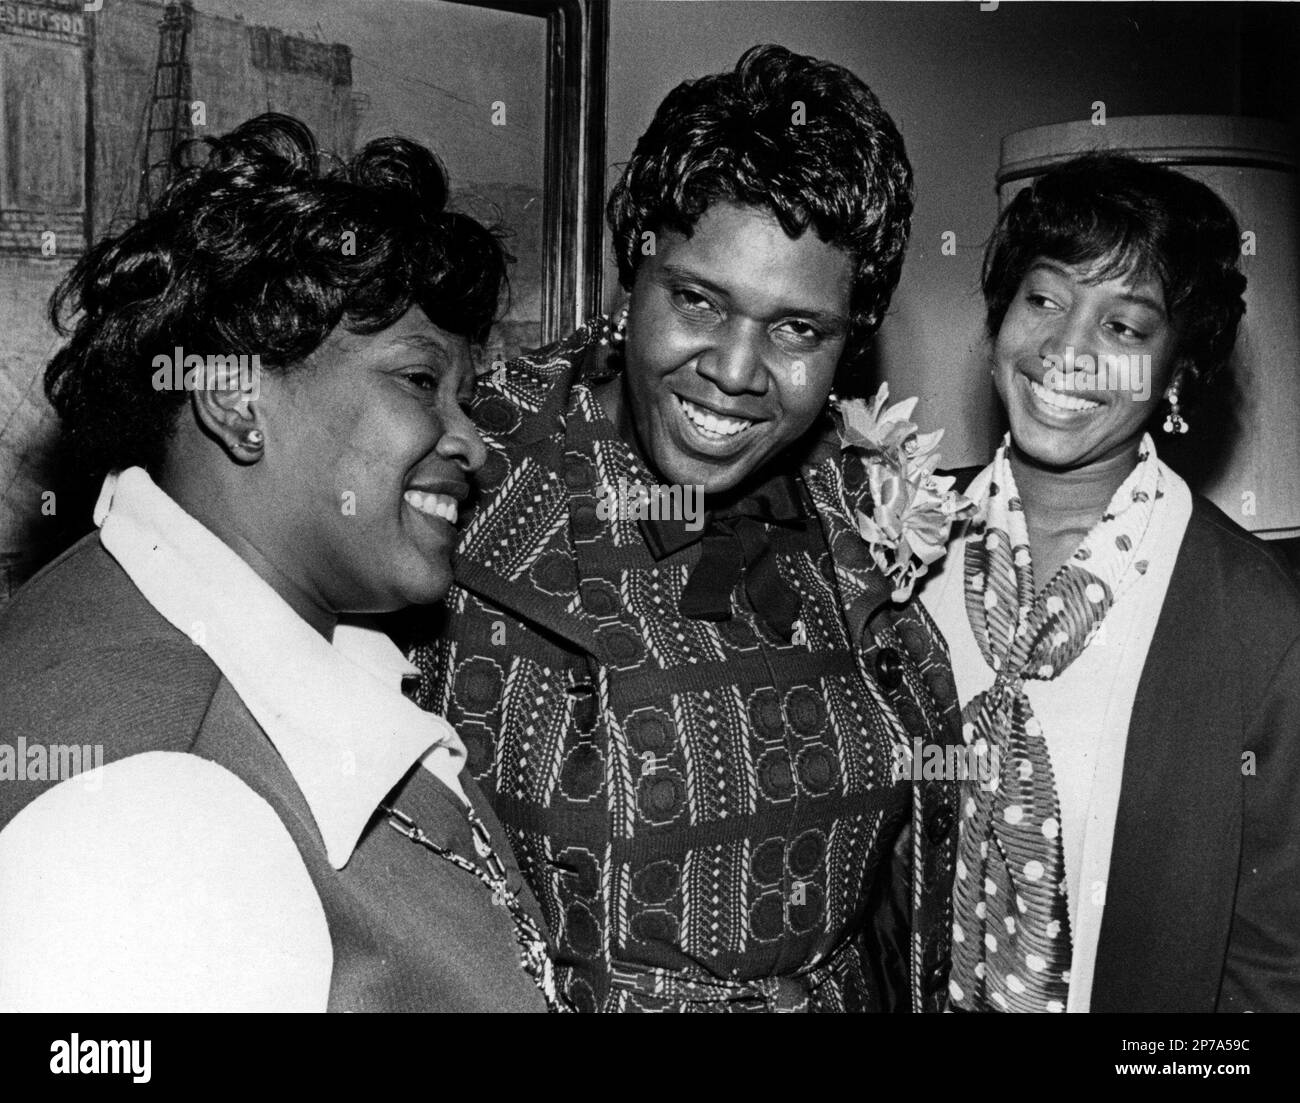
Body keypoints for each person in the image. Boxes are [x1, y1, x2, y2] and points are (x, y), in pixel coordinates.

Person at [412, 44, 968, 1012]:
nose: (737, 371)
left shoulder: (854, 496)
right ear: (634, 271)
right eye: (699, 300)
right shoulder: (475, 464)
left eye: (799, 330)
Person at [0, 114, 559, 1012]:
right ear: (234, 397)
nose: (474, 444)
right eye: (420, 381)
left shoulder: (206, 629)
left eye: (467, 395)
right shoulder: (153, 814)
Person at [919, 153, 1300, 1012]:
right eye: (1044, 299)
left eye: (1124, 328)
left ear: (1175, 372)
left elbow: (1275, 971)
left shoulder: (1258, 620)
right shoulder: (894, 540)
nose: (1064, 349)